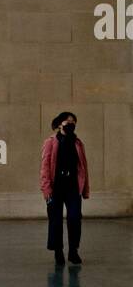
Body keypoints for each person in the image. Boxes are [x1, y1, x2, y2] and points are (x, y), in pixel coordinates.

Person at [41, 112, 89, 266]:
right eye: (68, 121)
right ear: (60, 123)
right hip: (56, 187)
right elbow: (45, 168)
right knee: (55, 221)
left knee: (75, 218)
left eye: (73, 122)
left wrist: (85, 188)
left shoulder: (78, 143)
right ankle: (58, 251)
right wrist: (46, 189)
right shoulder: (51, 142)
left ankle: (73, 251)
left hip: (73, 187)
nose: (71, 124)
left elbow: (83, 167)